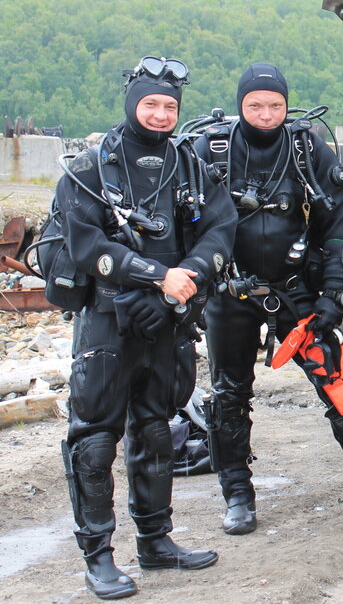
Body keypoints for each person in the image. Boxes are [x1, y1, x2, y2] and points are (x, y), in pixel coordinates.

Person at [193, 63, 343, 535]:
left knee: (341, 388)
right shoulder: (209, 152)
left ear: (287, 106)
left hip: (297, 293)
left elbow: (335, 231)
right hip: (231, 291)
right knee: (229, 397)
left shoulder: (308, 149)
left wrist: (333, 294)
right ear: (240, 106)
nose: (266, 114)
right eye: (255, 105)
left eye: (275, 105)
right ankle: (238, 497)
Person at [57, 56, 237, 599]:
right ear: (132, 103)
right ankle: (98, 555)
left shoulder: (190, 166)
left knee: (157, 428)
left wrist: (182, 286)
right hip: (107, 322)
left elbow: (221, 229)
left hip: (168, 319)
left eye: (169, 107)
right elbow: (86, 245)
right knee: (93, 441)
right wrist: (159, 276)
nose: (160, 114)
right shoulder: (87, 169)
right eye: (151, 104)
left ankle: (156, 541)